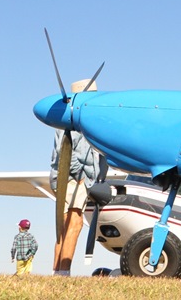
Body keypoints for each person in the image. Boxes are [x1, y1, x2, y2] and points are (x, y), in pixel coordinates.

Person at [49, 79, 107, 276]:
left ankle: (57, 272)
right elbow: (71, 152)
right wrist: (80, 176)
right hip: (76, 178)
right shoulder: (79, 120)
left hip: (65, 178)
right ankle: (63, 272)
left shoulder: (65, 119)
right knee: (75, 223)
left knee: (64, 226)